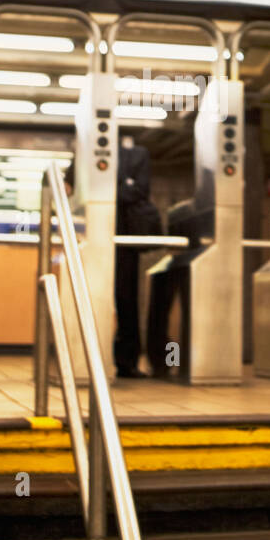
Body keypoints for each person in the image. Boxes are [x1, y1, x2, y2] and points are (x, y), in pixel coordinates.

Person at [113, 135, 154, 379]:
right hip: (96, 236)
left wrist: (115, 186)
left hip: (125, 240)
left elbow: (140, 191)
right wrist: (123, 185)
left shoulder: (137, 155)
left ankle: (126, 361)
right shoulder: (84, 151)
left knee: (126, 298)